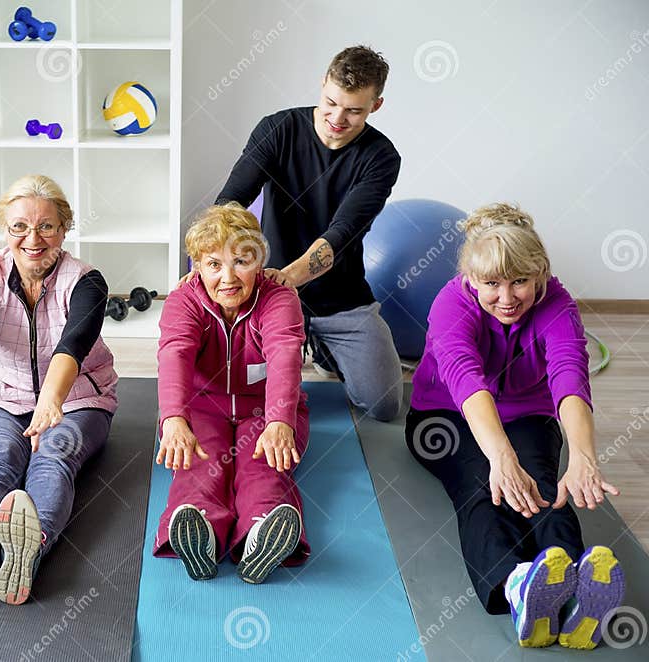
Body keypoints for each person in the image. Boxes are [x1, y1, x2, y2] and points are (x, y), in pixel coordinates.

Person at [405, 203, 625, 649]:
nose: (507, 298)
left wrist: (583, 457)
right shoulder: (451, 303)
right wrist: (501, 458)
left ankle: (577, 582)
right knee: (482, 488)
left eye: (520, 281)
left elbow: (569, 376)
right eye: (491, 284)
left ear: (539, 272)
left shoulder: (558, 304)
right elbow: (466, 380)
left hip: (528, 414)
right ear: (471, 277)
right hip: (445, 416)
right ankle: (516, 584)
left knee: (543, 484)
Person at [0, 174, 117, 605]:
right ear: (5, 229)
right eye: (19, 226)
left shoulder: (87, 282)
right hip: (4, 393)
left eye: (46, 227)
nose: (32, 238)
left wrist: (51, 404)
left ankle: (29, 547)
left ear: (64, 228)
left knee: (53, 457)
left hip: (78, 399)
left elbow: (71, 346)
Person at [215, 45, 403, 422]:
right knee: (245, 400)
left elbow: (341, 234)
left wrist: (289, 280)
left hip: (340, 297)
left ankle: (324, 346)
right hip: (265, 293)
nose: (337, 117)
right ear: (323, 84)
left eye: (354, 110)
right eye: (331, 102)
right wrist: (216, 269)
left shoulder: (381, 157)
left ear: (375, 106)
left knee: (384, 406)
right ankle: (297, 337)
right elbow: (229, 204)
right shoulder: (278, 129)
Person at [154, 203, 309, 584]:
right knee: (200, 462)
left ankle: (260, 535)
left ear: (258, 261)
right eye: (214, 265)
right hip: (202, 408)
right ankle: (200, 530)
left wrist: (279, 421)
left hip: (265, 411)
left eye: (241, 261)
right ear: (196, 266)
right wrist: (174, 418)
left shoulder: (279, 299)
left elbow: (284, 353)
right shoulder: (184, 300)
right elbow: (174, 352)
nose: (228, 277)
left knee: (264, 465)